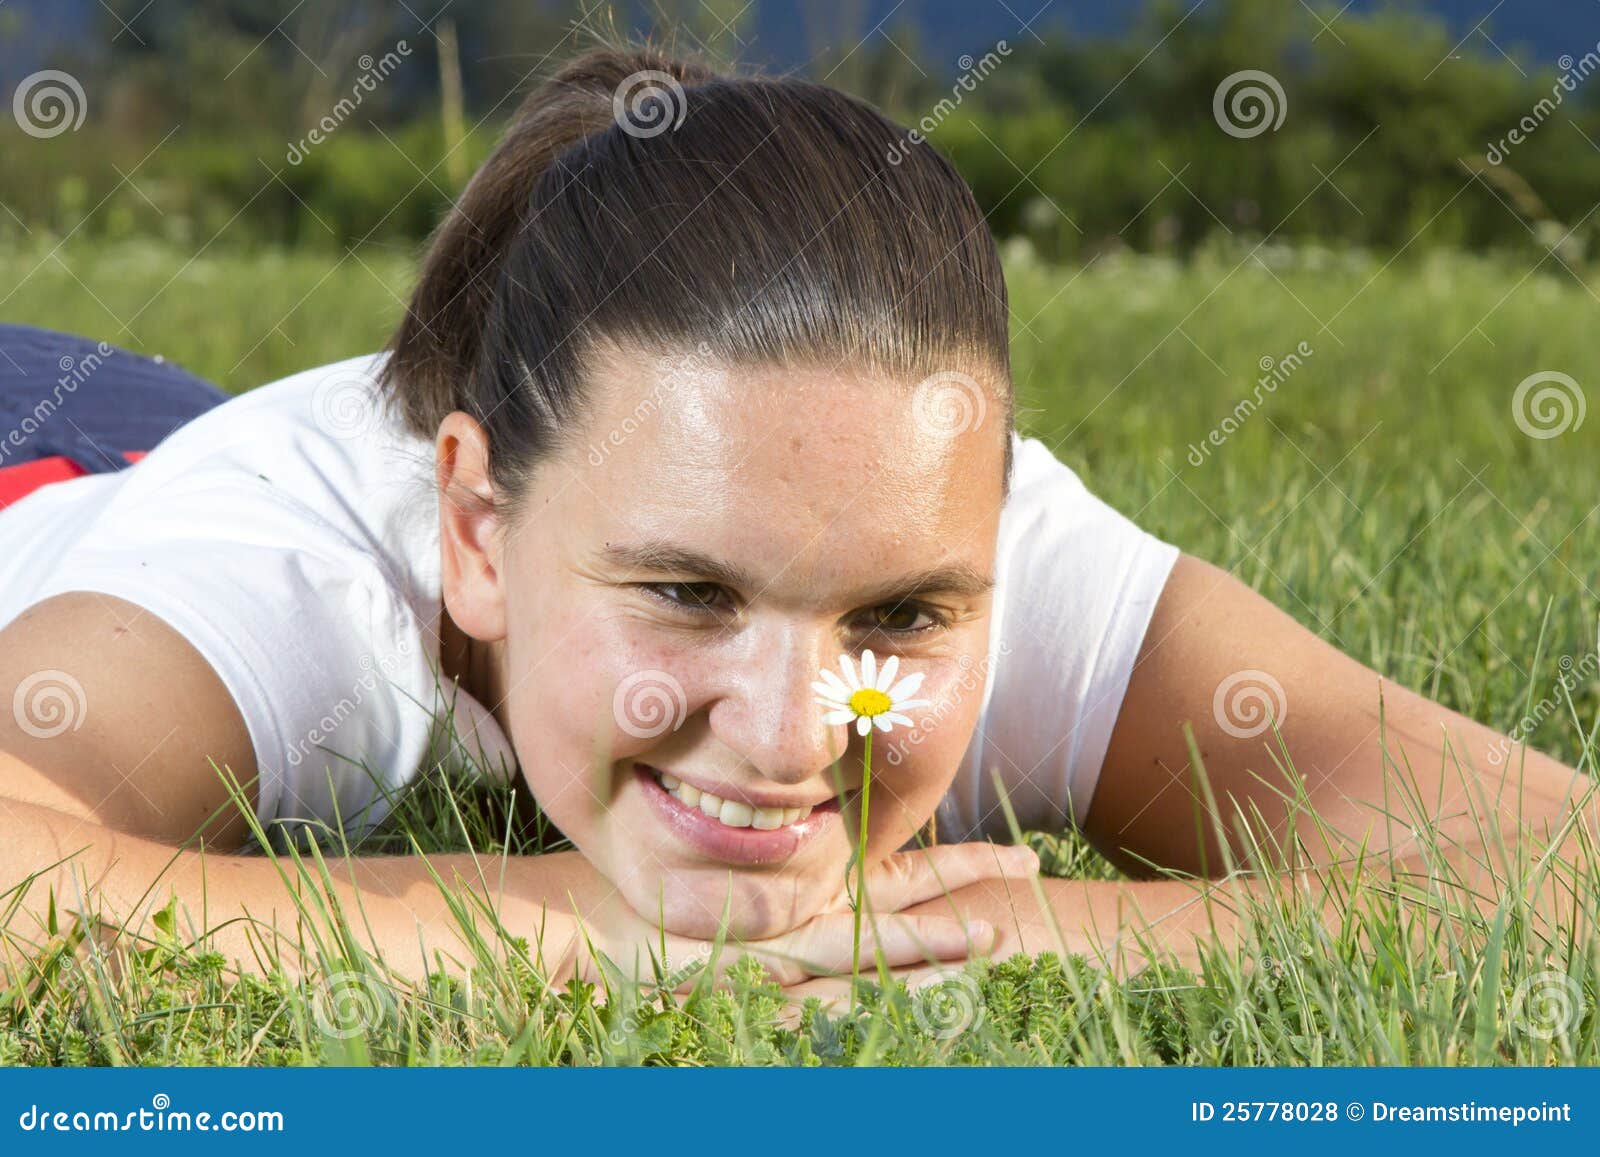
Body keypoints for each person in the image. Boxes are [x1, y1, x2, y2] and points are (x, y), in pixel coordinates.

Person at [0, 46, 1589, 995]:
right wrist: (563, 925)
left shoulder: (956, 523)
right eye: (688, 590)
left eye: (897, 618)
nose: (785, 733)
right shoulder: (290, 570)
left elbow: (1549, 861)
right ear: (478, 532)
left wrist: (1069, 936)